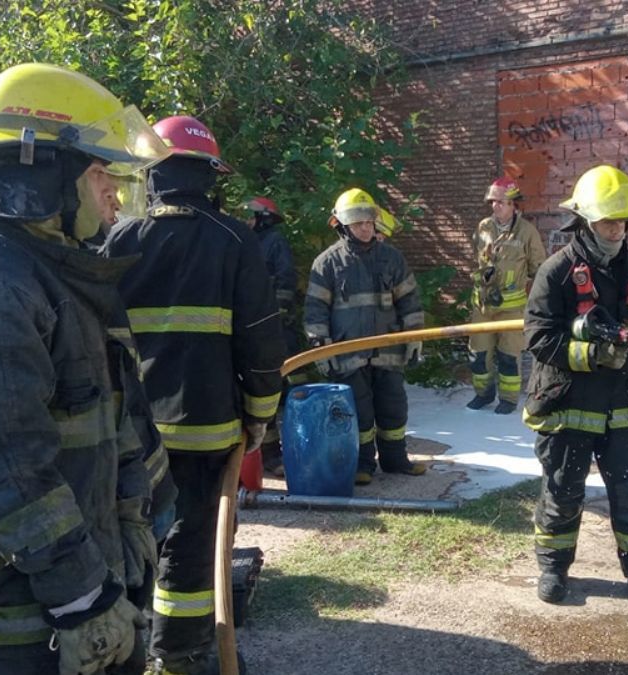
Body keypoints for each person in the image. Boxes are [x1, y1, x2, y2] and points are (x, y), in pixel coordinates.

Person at [0, 63, 172, 674]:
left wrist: (134, 531)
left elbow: (106, 419)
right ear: (40, 174)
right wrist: (83, 599)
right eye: (101, 173)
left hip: (66, 587)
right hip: (15, 622)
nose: (115, 195)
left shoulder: (50, 266)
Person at [103, 115, 285, 675]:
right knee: (192, 539)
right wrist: (258, 419)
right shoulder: (235, 240)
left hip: (128, 432)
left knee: (129, 531)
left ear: (153, 174)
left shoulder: (119, 239)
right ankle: (181, 653)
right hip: (207, 427)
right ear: (210, 175)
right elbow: (261, 344)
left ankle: (129, 645)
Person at [522, 165, 628, 615]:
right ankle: (553, 569)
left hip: (623, 400)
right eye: (610, 221)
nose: (618, 229)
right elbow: (539, 338)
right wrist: (592, 355)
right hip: (568, 400)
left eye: (624, 221)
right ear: (586, 221)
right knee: (563, 489)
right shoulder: (557, 271)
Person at [305, 188, 427, 486]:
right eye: (358, 223)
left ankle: (396, 460)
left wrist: (414, 336)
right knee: (359, 411)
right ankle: (362, 464)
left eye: (369, 222)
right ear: (343, 225)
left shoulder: (391, 258)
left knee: (393, 407)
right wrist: (322, 350)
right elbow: (315, 312)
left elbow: (409, 300)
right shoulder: (327, 263)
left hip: (388, 350)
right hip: (348, 355)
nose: (365, 228)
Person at [466, 177, 546, 415]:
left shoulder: (527, 232)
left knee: (509, 356)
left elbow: (539, 269)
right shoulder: (483, 228)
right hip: (482, 306)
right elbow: (477, 255)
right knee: (479, 354)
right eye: (492, 202)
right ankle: (483, 394)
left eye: (500, 202)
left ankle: (509, 399)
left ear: (514, 205)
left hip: (511, 309)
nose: (495, 206)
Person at [245, 196, 298, 477]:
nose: (247, 220)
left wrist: (274, 317)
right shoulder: (244, 241)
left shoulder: (274, 242)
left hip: (275, 330)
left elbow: (286, 281)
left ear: (264, 218)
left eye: (252, 215)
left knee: (277, 392)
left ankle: (276, 454)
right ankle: (260, 456)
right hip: (250, 329)